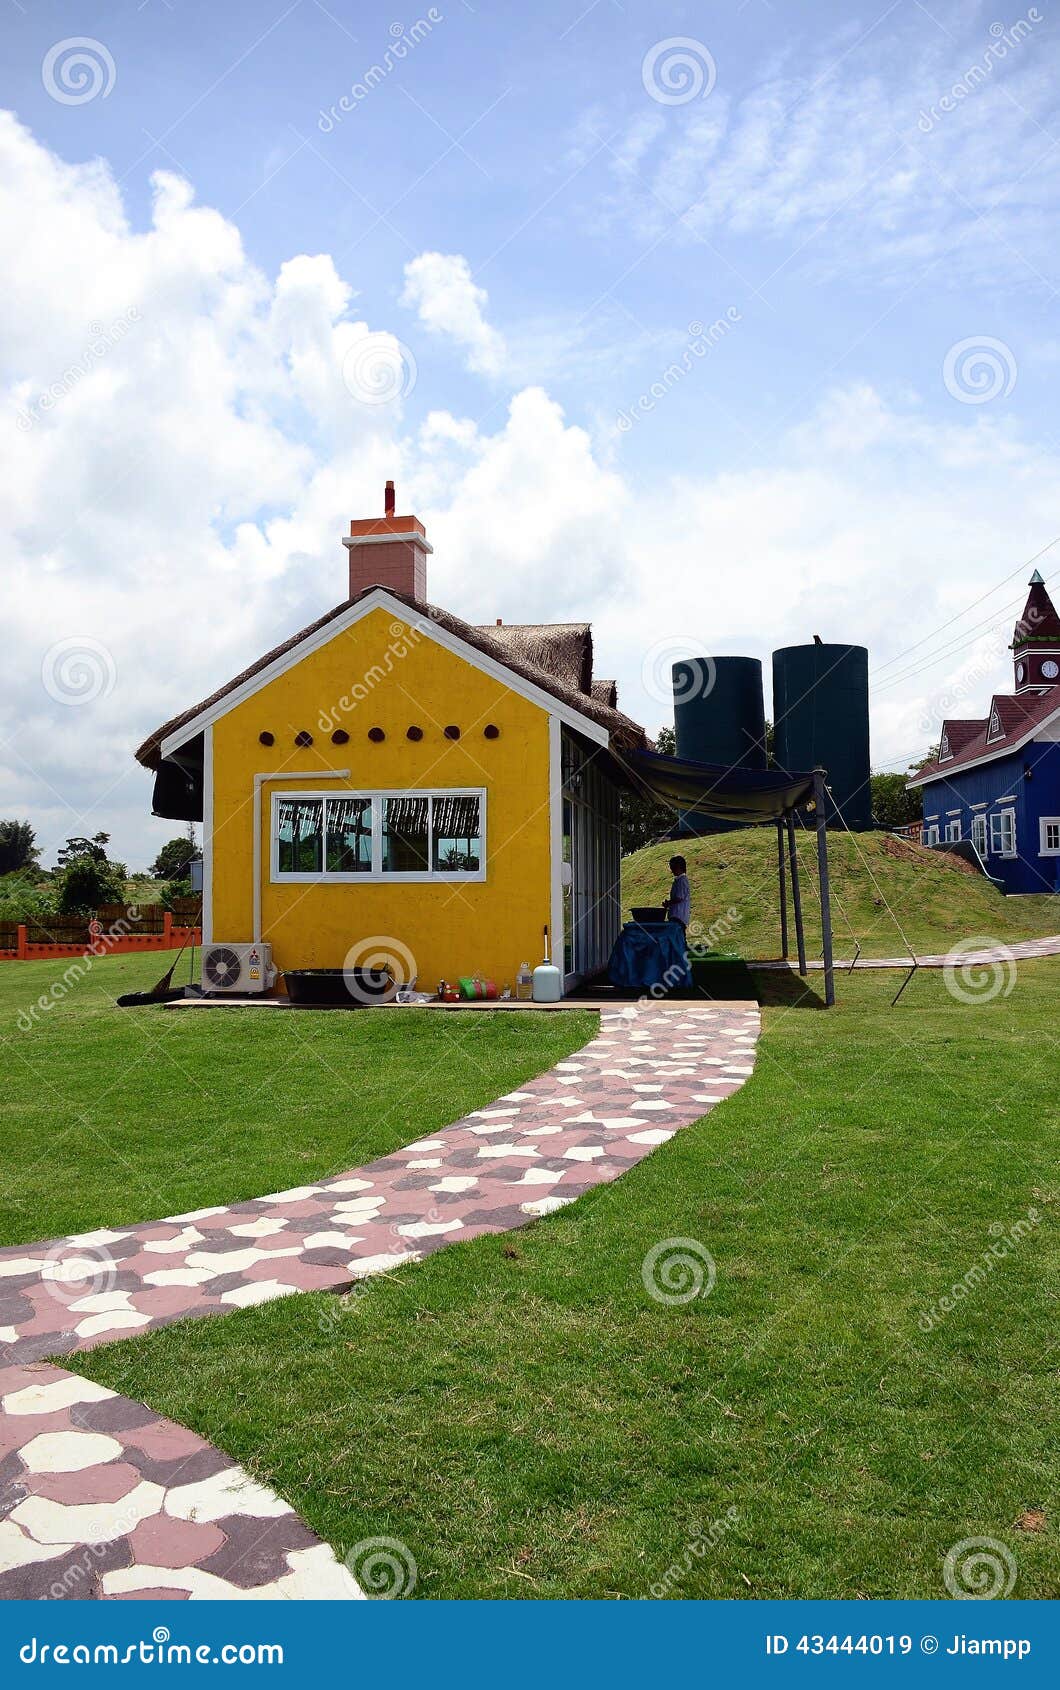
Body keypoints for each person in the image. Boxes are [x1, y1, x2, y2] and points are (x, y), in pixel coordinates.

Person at [663, 855, 690, 932]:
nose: (672, 870)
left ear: (678, 867)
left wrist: (668, 903)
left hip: (678, 917)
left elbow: (679, 898)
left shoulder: (682, 881)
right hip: (677, 916)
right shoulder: (679, 880)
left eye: (672, 867)